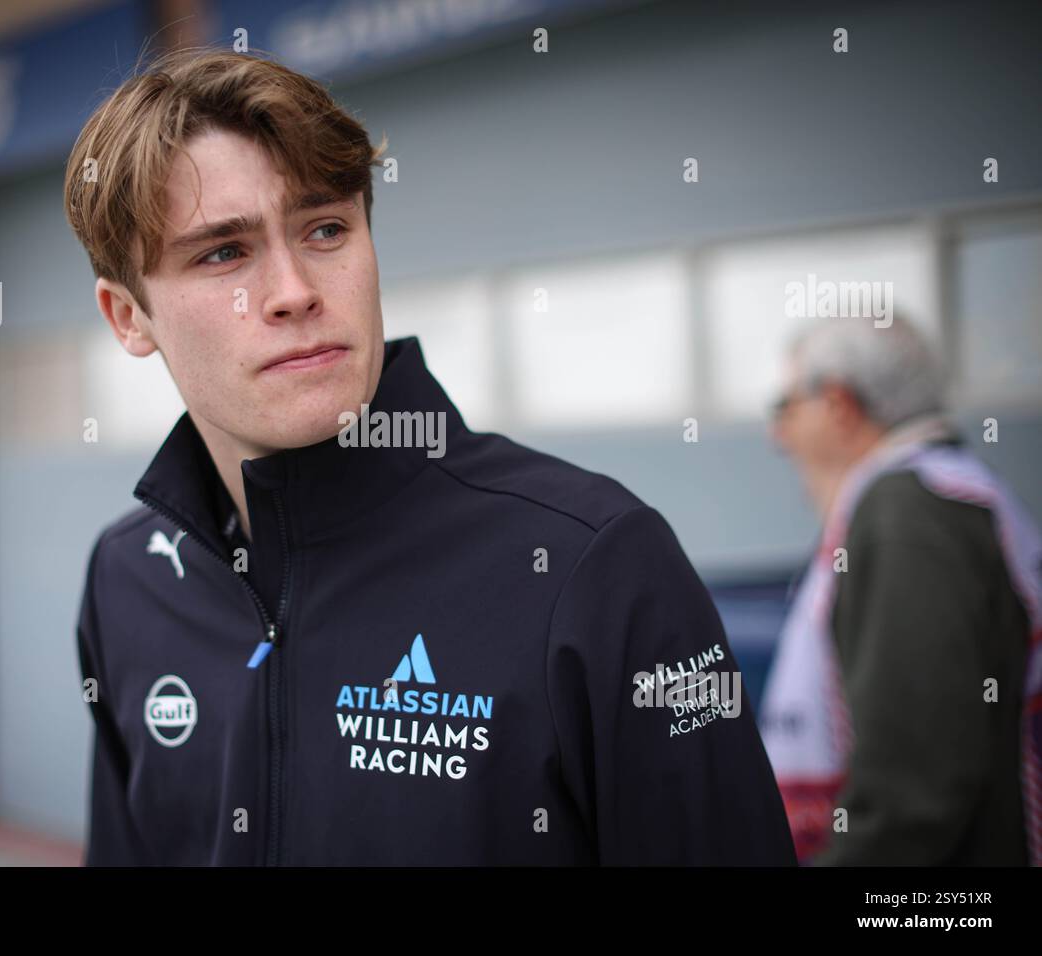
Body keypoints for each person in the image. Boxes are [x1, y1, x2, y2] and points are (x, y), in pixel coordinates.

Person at [63, 46, 794, 866]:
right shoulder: (128, 578)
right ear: (128, 317)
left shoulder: (596, 560)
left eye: (326, 228)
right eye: (224, 253)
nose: (295, 289)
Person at [761, 314, 1042, 865]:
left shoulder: (906, 518)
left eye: (786, 407)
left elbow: (912, 792)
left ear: (839, 403)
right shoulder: (945, 493)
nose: (778, 436)